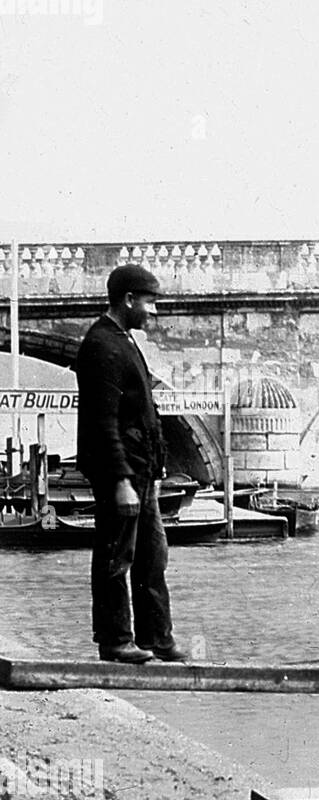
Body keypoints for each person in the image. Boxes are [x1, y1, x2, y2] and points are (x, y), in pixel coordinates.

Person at [75, 264, 188, 664]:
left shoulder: (123, 340)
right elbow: (102, 422)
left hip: (142, 472)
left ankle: (157, 638)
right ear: (128, 300)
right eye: (149, 301)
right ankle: (115, 640)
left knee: (152, 558)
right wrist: (121, 479)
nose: (152, 311)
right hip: (120, 473)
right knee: (115, 557)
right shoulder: (102, 345)